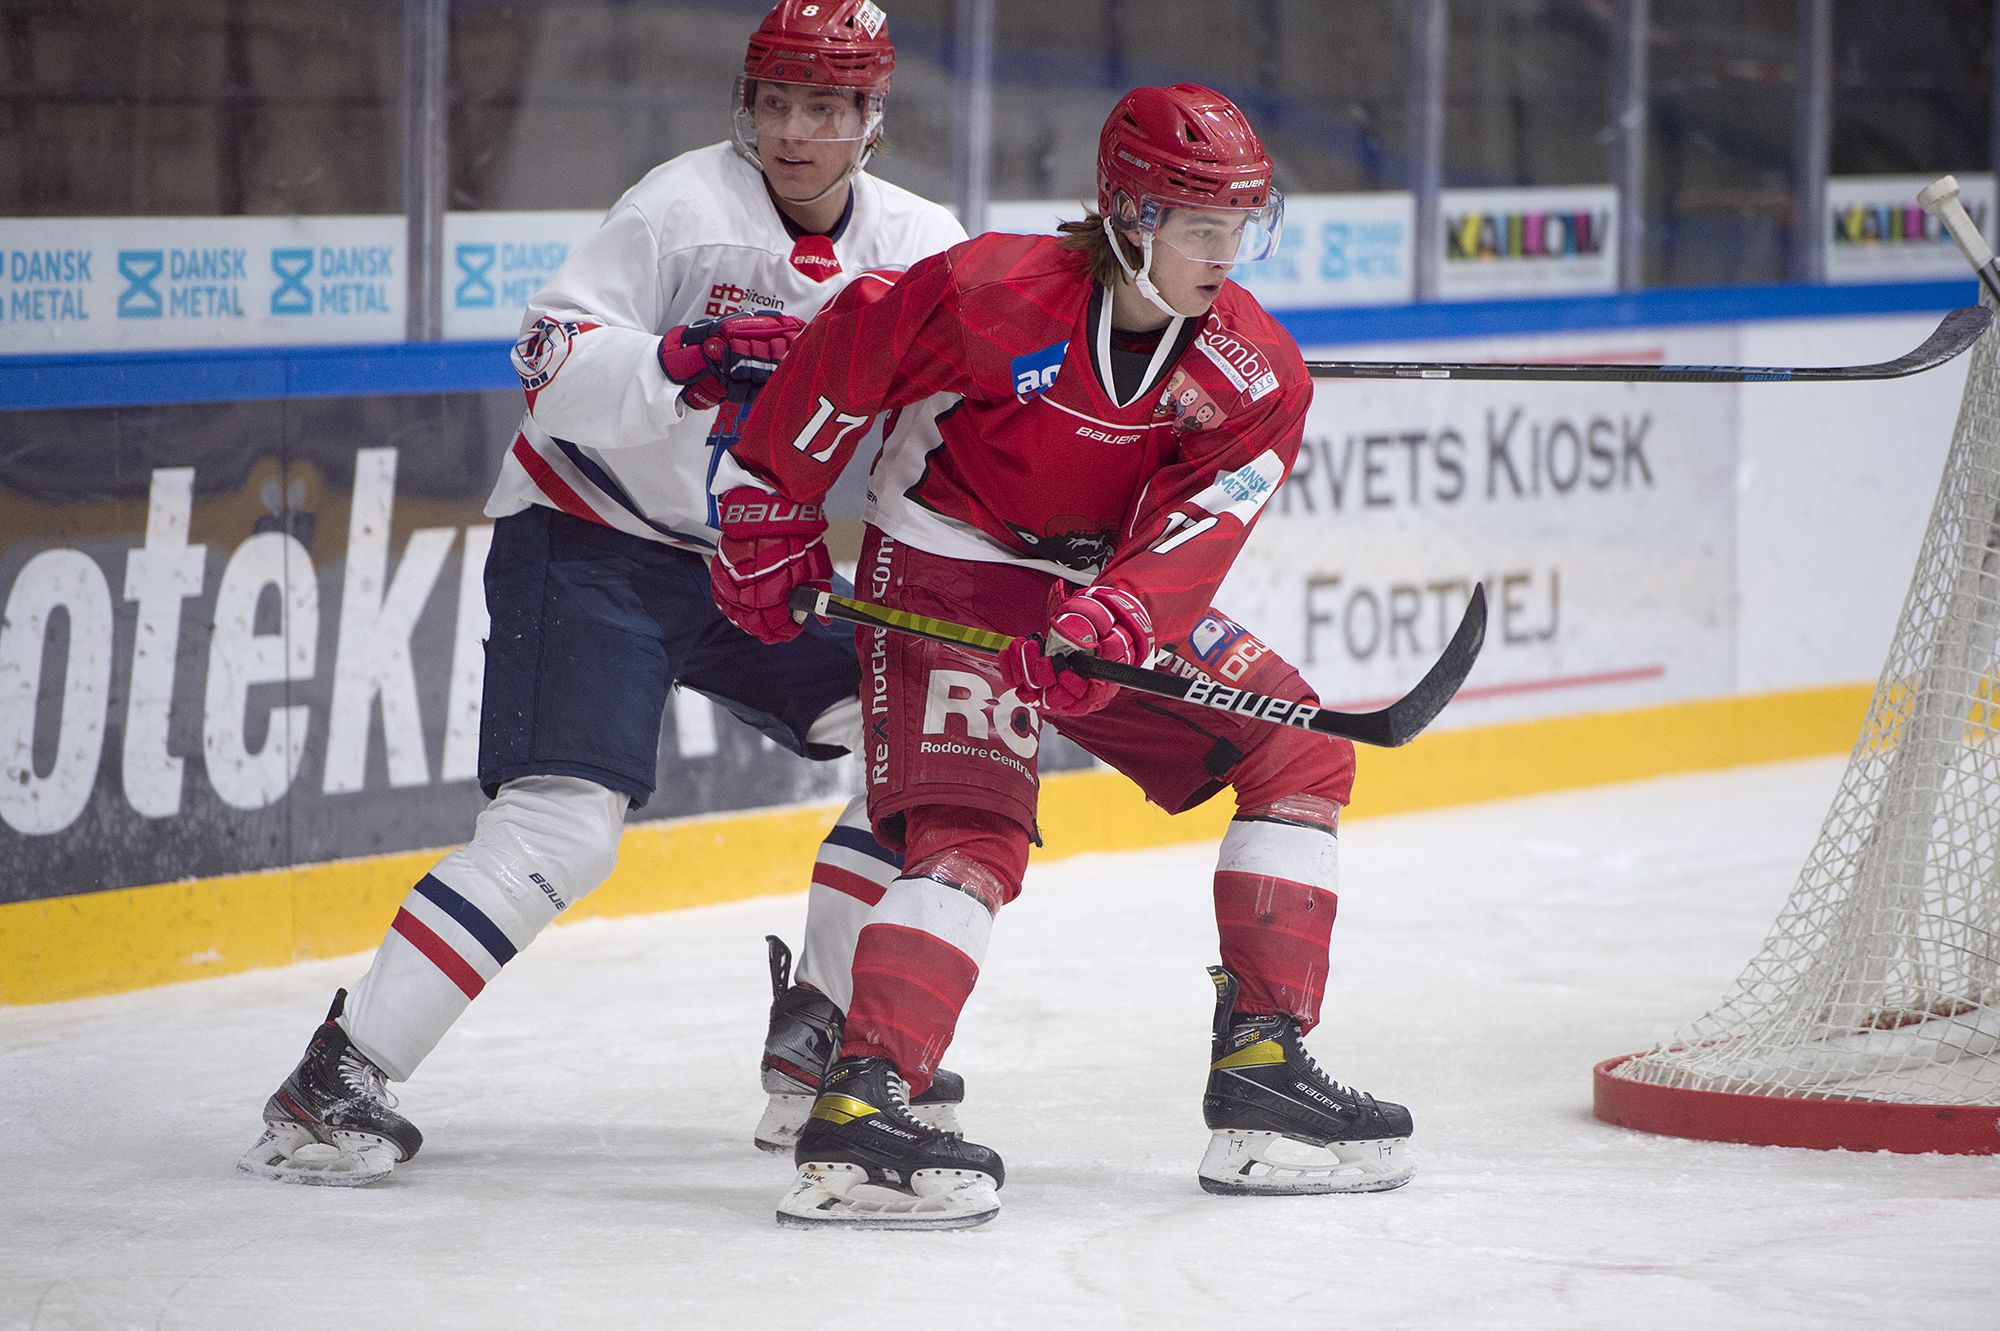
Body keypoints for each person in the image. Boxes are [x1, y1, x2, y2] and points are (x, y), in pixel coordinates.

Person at [237, 0, 967, 1187]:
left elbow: (957, 417)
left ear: (870, 117)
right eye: (775, 100)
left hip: (750, 554)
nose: (793, 130)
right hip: (590, 540)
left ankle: (820, 1039)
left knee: (922, 755)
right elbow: (546, 360)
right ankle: (338, 1073)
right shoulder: (679, 209)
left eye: (824, 106)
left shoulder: (924, 245)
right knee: (561, 828)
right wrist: (677, 363)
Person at [711, 83, 1415, 1229]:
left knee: (1295, 749)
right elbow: (844, 354)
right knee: (971, 829)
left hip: (1094, 586)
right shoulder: (987, 291)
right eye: (1199, 225)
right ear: (1128, 214)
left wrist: (1120, 614)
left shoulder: (1256, 371)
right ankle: (861, 1102)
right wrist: (763, 503)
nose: (1224, 253)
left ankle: (1260, 1064)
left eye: (1240, 224)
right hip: (946, 565)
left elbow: (1200, 526)